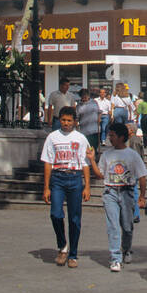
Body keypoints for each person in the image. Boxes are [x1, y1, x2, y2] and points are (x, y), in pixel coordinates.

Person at [40, 106, 96, 268]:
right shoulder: (52, 137)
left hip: (75, 179)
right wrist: (46, 187)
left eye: (69, 120)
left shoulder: (80, 138)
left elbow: (85, 163)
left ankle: (73, 254)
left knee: (74, 218)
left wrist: (87, 186)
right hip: (58, 178)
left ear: (74, 122)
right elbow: (48, 162)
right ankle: (62, 245)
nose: (65, 123)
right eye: (63, 120)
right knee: (56, 214)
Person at [99, 121, 147, 272]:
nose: (110, 138)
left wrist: (142, 196)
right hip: (110, 192)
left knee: (127, 226)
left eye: (112, 135)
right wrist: (90, 161)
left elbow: (142, 176)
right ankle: (115, 258)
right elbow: (100, 174)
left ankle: (126, 249)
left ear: (121, 137)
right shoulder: (106, 155)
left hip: (127, 192)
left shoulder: (132, 155)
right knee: (112, 225)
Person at [76, 89, 102, 154]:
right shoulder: (79, 106)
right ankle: (89, 160)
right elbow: (76, 118)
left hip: (95, 129)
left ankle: (94, 158)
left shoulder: (94, 102)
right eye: (83, 96)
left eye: (86, 96)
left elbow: (99, 112)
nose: (85, 98)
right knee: (87, 146)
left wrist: (99, 118)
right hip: (85, 130)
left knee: (94, 146)